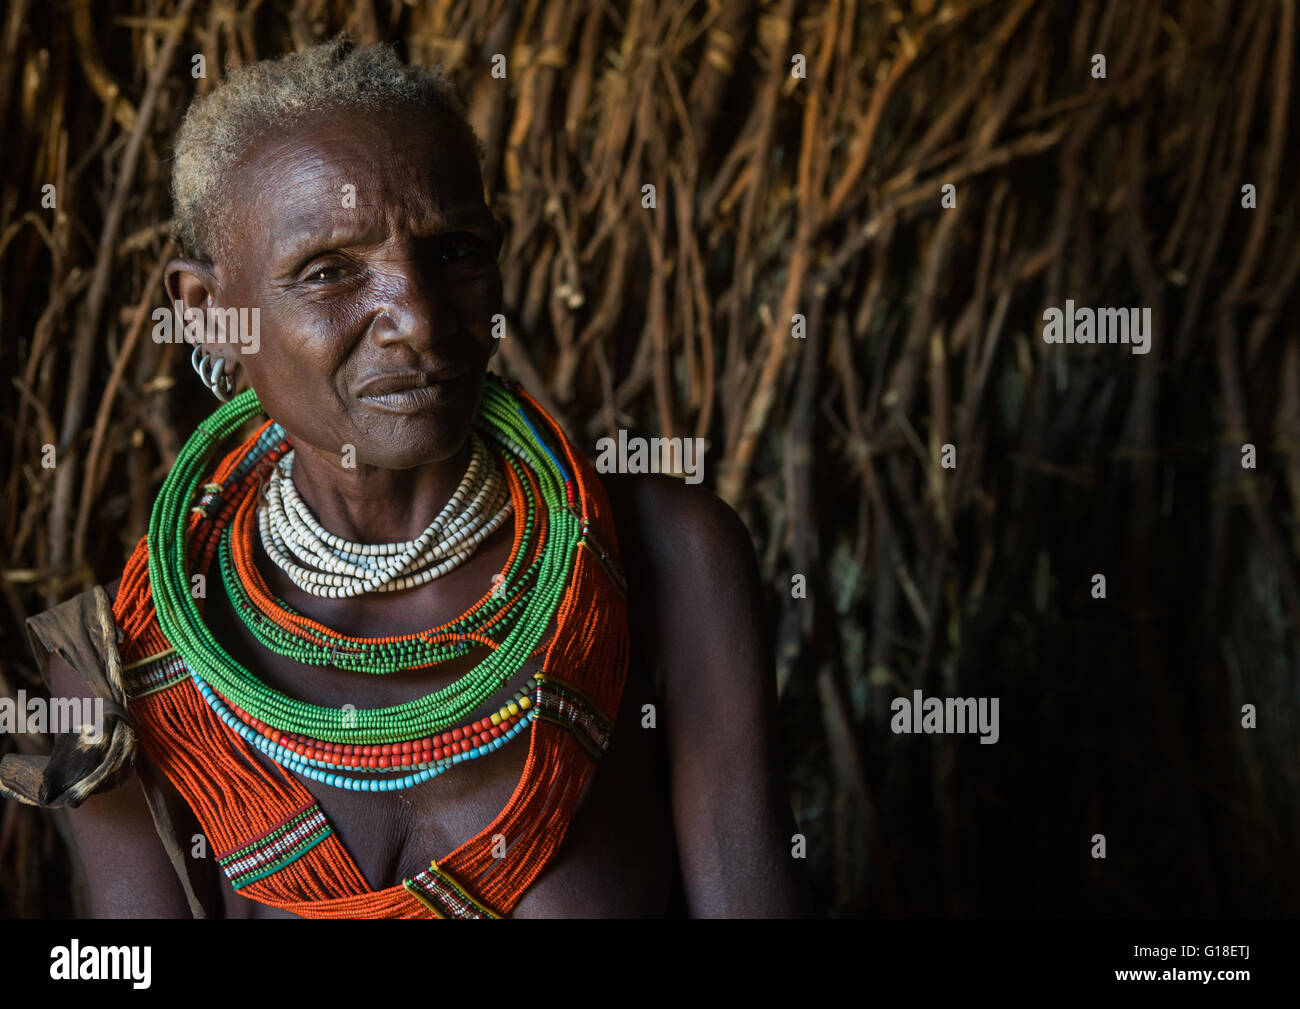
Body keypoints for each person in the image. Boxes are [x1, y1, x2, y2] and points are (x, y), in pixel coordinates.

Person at [0, 36, 806, 918]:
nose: (417, 319)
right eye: (329, 270)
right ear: (210, 312)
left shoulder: (666, 558)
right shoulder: (118, 663)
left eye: (453, 250)